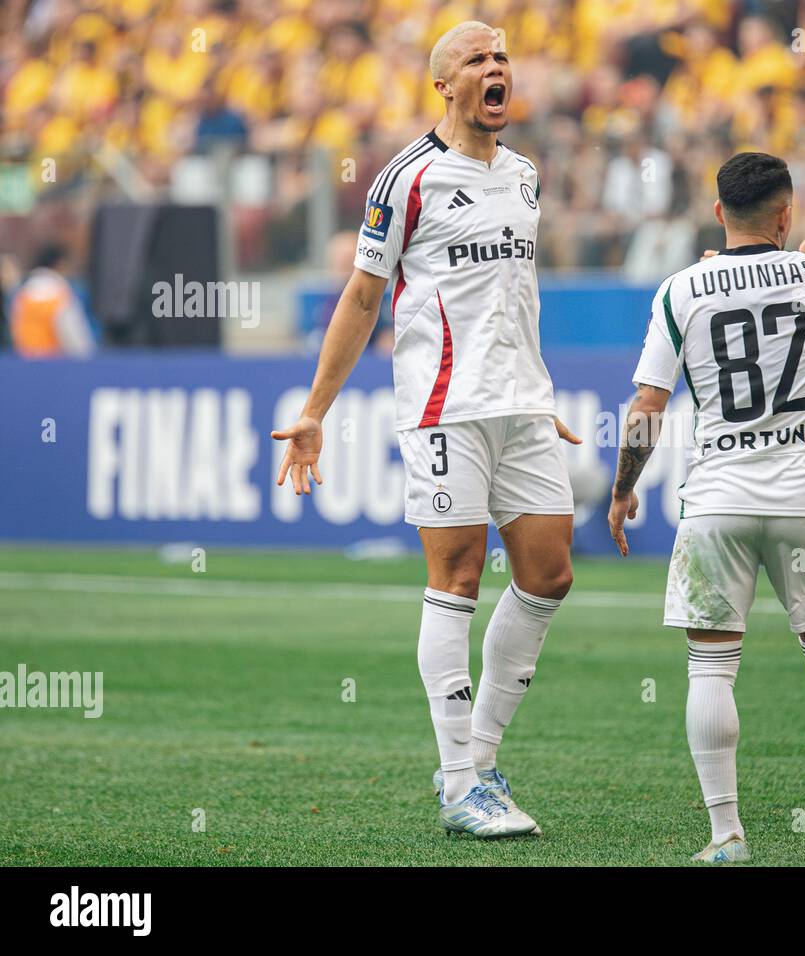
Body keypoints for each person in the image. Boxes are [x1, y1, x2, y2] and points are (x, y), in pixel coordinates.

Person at [272, 21, 579, 840]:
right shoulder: (405, 180)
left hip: (521, 405)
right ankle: (458, 784)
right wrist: (314, 411)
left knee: (549, 576)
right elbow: (364, 298)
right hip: (443, 406)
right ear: (444, 84)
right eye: (477, 60)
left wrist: (534, 391)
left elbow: (508, 295)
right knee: (459, 576)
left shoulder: (525, 175)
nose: (495, 69)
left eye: (502, 58)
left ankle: (477, 756)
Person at [608, 151, 805, 862]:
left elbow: (647, 407)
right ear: (788, 214)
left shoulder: (680, 289)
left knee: (711, 671)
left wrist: (625, 488)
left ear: (718, 214)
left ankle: (726, 836)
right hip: (803, 500)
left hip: (717, 498)